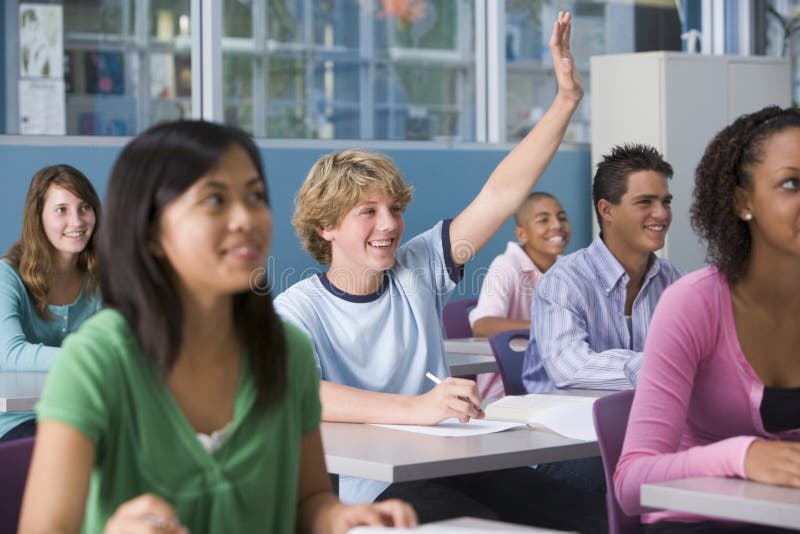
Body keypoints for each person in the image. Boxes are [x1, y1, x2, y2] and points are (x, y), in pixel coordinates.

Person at [276, 13, 606, 532]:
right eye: (368, 211)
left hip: (460, 460)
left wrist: (565, 101)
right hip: (381, 486)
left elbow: (501, 193)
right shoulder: (297, 309)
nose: (389, 224)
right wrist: (420, 407)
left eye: (394, 208)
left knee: (589, 509)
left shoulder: (418, 268)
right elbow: (304, 393)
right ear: (325, 228)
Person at [18, 121, 416, 533]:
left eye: (255, 196)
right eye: (214, 199)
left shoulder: (286, 352)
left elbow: (309, 501)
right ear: (151, 230)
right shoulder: (96, 363)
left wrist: (340, 517)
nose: (246, 218)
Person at [615, 106, 800, 533]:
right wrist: (742, 457)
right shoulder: (694, 304)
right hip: (702, 521)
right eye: (791, 183)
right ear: (743, 201)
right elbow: (629, 483)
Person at [522, 143, 684, 394]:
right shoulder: (563, 282)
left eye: (666, 202)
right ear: (607, 210)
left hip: (642, 421)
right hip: (564, 427)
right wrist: (661, 368)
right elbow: (570, 367)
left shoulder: (675, 281)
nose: (661, 214)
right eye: (645, 203)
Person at [0, 164, 101, 442]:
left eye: (85, 208)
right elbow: (9, 354)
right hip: (18, 421)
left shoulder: (102, 279)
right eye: (61, 210)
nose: (77, 222)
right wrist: (91, 356)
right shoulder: (6, 277)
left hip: (80, 413)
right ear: (38, 217)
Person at [469, 192, 571, 399]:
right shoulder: (506, 265)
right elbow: (482, 325)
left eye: (561, 217)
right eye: (543, 220)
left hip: (553, 386)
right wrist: (542, 327)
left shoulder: (569, 268)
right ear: (522, 234)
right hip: (504, 394)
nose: (557, 225)